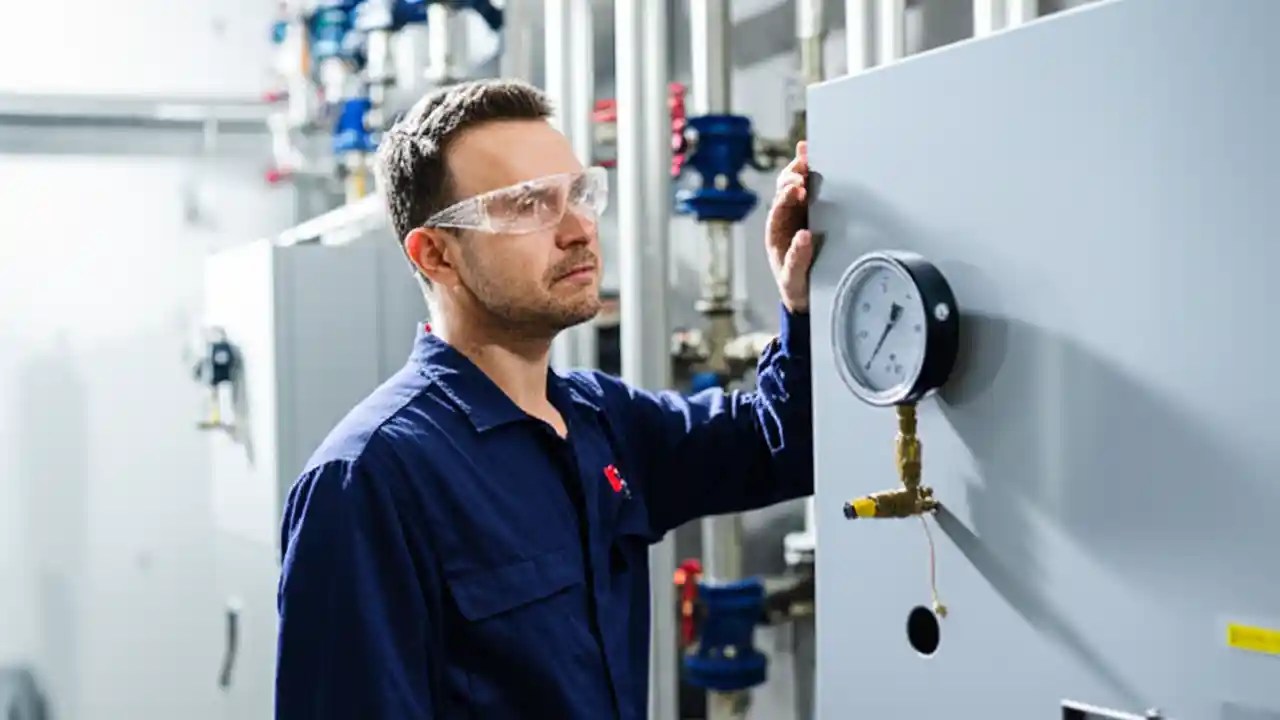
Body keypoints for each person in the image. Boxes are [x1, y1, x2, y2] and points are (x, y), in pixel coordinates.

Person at [274, 78, 815, 720]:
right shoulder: (370, 480)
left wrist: (801, 305)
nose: (578, 229)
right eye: (528, 205)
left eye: (579, 194)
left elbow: (785, 443)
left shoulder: (602, 422)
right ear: (437, 255)